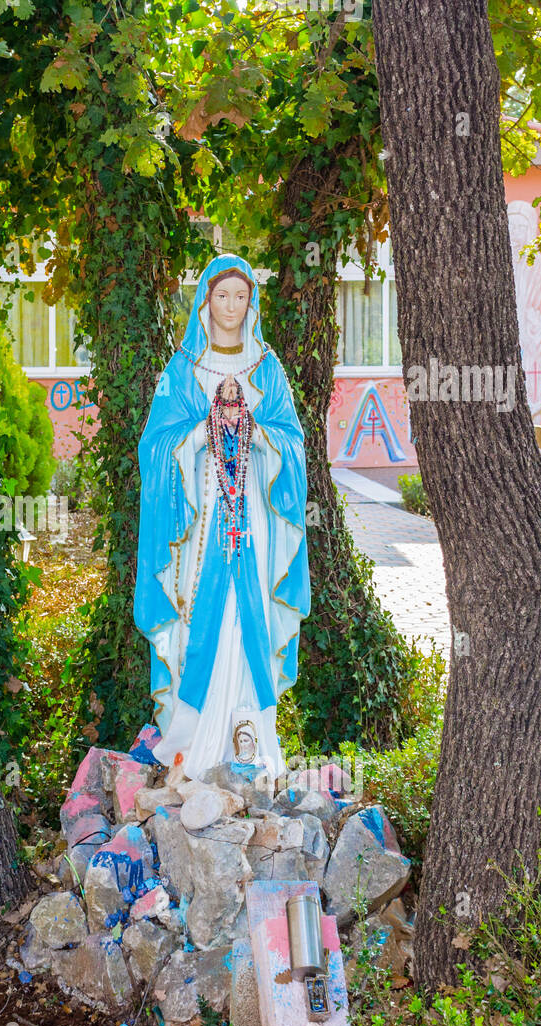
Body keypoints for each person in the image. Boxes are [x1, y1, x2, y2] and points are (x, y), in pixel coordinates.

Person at [134, 254, 311, 784]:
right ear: (205, 301)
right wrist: (201, 434)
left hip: (252, 517)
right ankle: (192, 736)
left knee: (247, 606)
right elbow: (154, 449)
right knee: (197, 614)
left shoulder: (267, 369)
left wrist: (256, 434)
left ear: (252, 302)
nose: (232, 306)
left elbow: (294, 447)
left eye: (242, 295)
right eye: (222, 295)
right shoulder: (183, 370)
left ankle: (248, 730)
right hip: (200, 516)